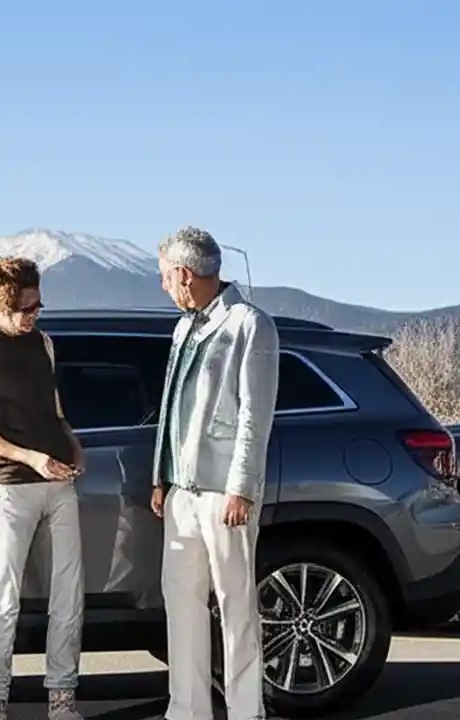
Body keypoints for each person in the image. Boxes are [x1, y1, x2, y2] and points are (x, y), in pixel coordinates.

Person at [150, 227, 279, 720]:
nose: (163, 286)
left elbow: (254, 413)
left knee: (235, 604)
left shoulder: (249, 324)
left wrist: (242, 488)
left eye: (165, 277)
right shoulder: (184, 327)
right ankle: (187, 710)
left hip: (226, 492)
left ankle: (247, 711)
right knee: (181, 604)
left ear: (185, 275)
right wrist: (160, 476)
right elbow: (171, 404)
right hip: (182, 491)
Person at [0, 256, 86, 720]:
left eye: (37, 306)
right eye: (24, 308)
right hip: (8, 487)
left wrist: (72, 445)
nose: (32, 315)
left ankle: (62, 700)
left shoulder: (44, 343)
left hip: (59, 481)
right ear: (2, 302)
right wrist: (32, 457)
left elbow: (54, 410)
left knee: (69, 595)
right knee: (5, 601)